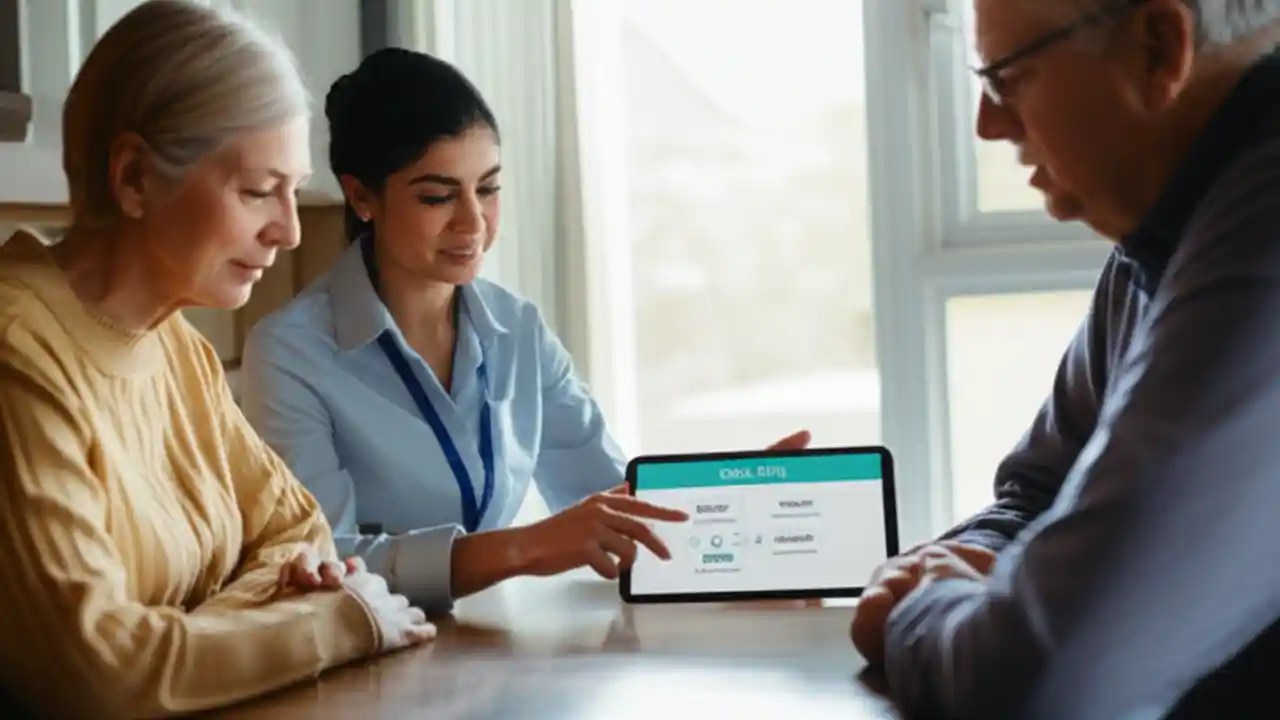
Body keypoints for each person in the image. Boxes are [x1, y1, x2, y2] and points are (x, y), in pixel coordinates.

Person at [240, 48, 810, 615]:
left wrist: (730, 504)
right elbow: (324, 559)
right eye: (437, 196)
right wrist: (526, 549)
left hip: (487, 654)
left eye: (487, 188)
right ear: (362, 196)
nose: (473, 222)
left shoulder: (518, 329)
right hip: (361, 672)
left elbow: (607, 503)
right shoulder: (290, 353)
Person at [0, 3, 433, 717]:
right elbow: (96, 671)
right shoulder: (20, 351)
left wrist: (203, 638)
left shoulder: (175, 347)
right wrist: (333, 621)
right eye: (259, 191)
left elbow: (298, 534)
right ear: (134, 177)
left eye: (292, 192)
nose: (290, 231)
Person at [848, 0, 1280, 717]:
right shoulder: (1159, 234)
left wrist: (917, 609)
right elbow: (1038, 490)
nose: (988, 124)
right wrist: (943, 570)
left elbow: (1043, 682)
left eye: (1006, 78)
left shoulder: (1261, 237)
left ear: (1156, 48)